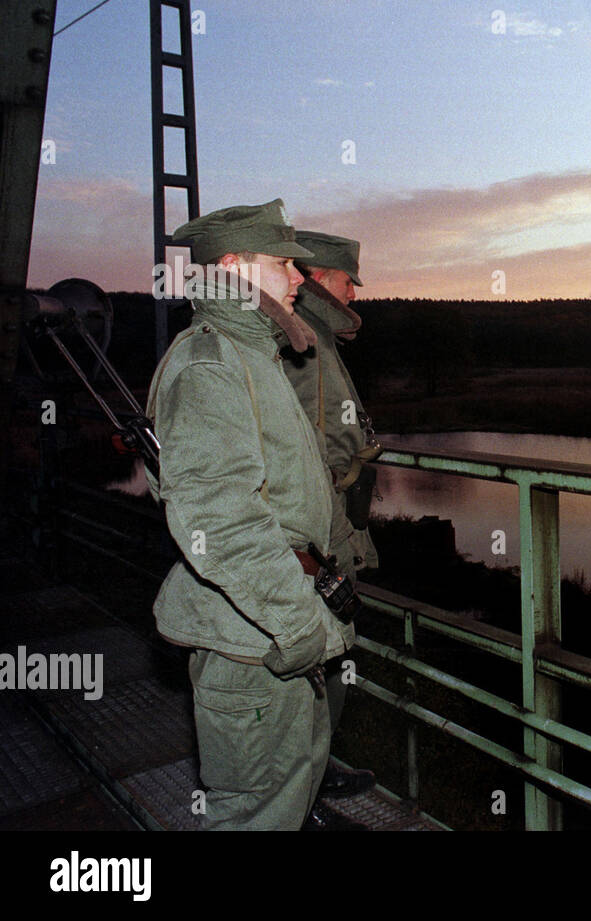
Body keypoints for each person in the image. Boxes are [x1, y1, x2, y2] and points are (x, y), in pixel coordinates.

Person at [144, 199, 355, 830]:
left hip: (263, 628)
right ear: (234, 266)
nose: (298, 279)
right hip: (255, 638)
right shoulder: (211, 364)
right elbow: (220, 521)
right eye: (284, 264)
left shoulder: (253, 353)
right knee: (254, 812)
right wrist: (298, 625)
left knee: (287, 793)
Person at [280, 230, 382, 820]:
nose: (354, 292)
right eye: (348, 280)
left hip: (328, 519)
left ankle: (313, 770)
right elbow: (290, 444)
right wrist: (311, 539)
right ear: (319, 279)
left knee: (328, 649)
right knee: (321, 647)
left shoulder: (313, 334)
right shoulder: (301, 338)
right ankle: (303, 787)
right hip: (318, 525)